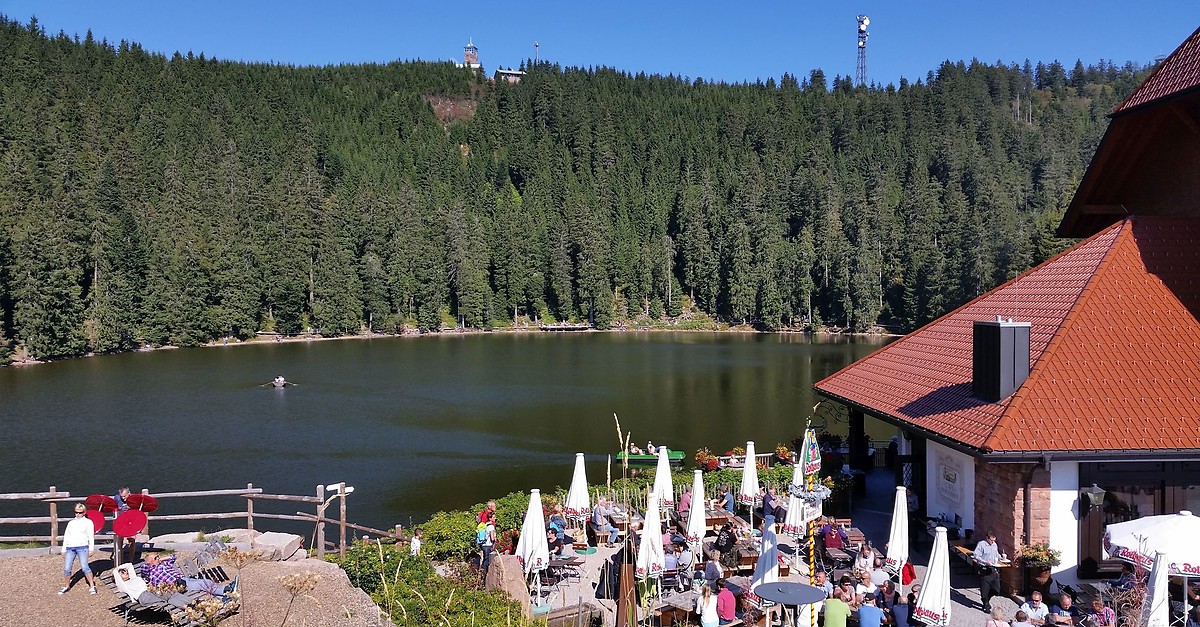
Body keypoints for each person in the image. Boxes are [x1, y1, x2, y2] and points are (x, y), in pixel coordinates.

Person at [115, 564, 229, 610]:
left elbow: (129, 566)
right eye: (123, 573)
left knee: (170, 593)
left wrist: (123, 570)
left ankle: (192, 604)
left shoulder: (134, 578)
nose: (126, 572)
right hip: (143, 597)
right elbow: (117, 572)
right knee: (167, 596)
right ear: (118, 577)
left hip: (150, 591)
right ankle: (188, 606)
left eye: (125, 571)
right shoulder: (124, 585)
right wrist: (117, 570)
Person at [137, 552, 236, 596]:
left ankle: (224, 593)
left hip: (183, 579)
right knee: (202, 584)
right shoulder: (150, 571)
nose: (158, 558)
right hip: (176, 585)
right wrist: (150, 560)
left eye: (158, 556)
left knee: (206, 581)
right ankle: (227, 589)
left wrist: (160, 559)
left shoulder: (164, 564)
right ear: (149, 562)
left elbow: (173, 556)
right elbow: (143, 566)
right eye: (155, 558)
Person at [60, 503, 97, 595]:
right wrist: (63, 549)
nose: (78, 514)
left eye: (80, 512)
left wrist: (91, 548)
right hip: (70, 547)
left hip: (82, 547)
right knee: (67, 568)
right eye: (76, 512)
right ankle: (67, 586)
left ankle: (92, 586)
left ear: (84, 512)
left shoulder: (88, 522)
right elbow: (66, 536)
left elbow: (91, 536)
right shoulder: (71, 523)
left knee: (85, 567)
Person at [973, 530, 1003, 611]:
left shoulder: (994, 545)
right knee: (984, 590)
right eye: (991, 540)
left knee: (997, 589)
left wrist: (1001, 557)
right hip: (985, 569)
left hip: (993, 569)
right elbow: (976, 555)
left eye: (994, 540)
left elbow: (996, 554)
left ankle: (986, 599)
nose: (992, 542)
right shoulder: (981, 544)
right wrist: (984, 562)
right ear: (987, 538)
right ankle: (986, 604)